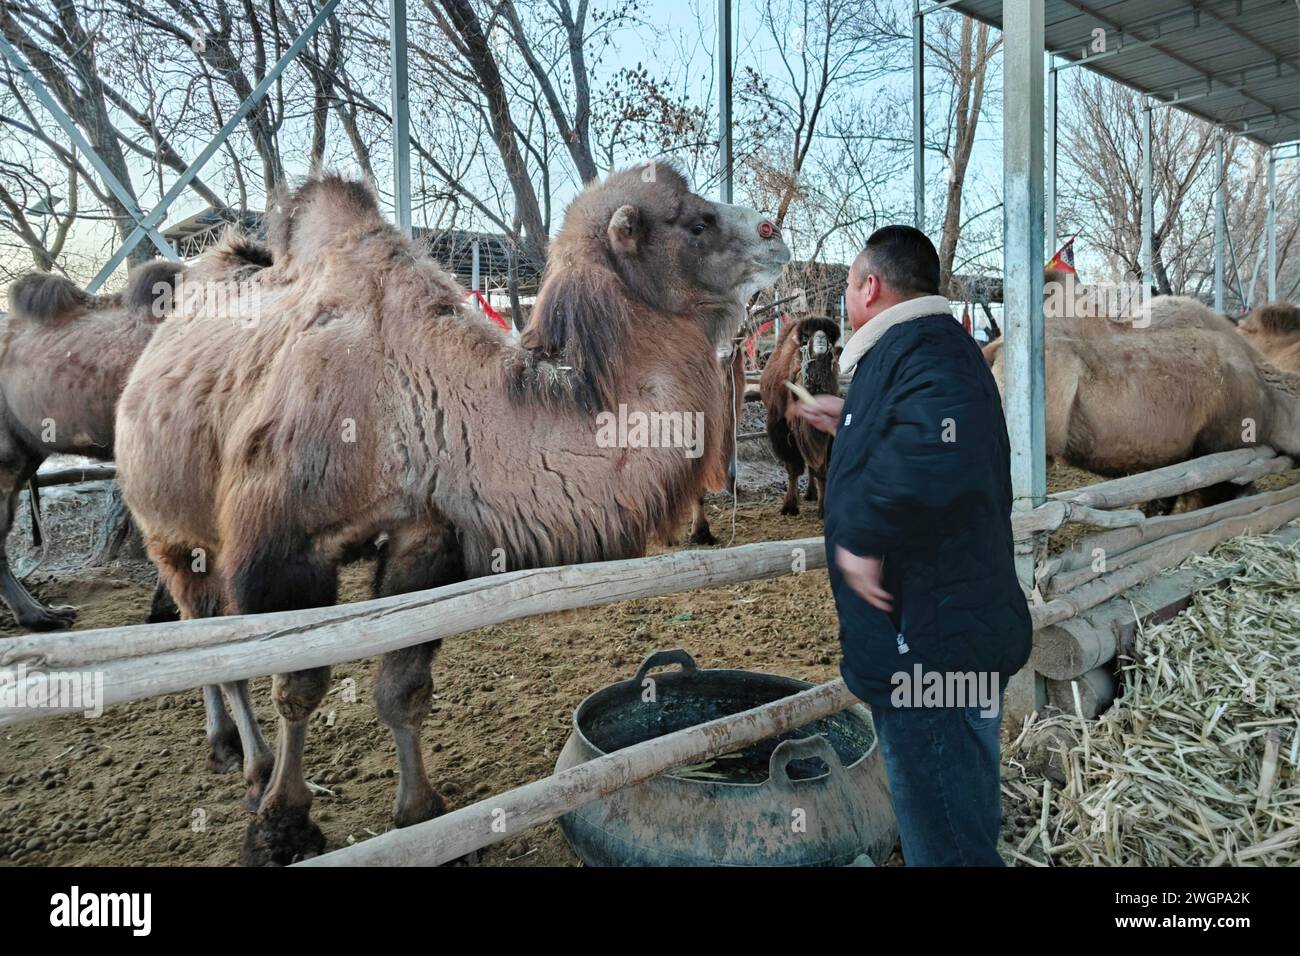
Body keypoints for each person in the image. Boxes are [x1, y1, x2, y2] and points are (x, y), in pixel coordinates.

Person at [795, 225, 1031, 866]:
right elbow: (926, 429)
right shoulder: (928, 349)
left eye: (848, 285)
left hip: (929, 653)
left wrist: (864, 535)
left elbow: (936, 452)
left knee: (947, 842)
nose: (846, 299)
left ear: (870, 287)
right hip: (943, 632)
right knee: (954, 816)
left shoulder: (921, 351)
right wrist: (845, 417)